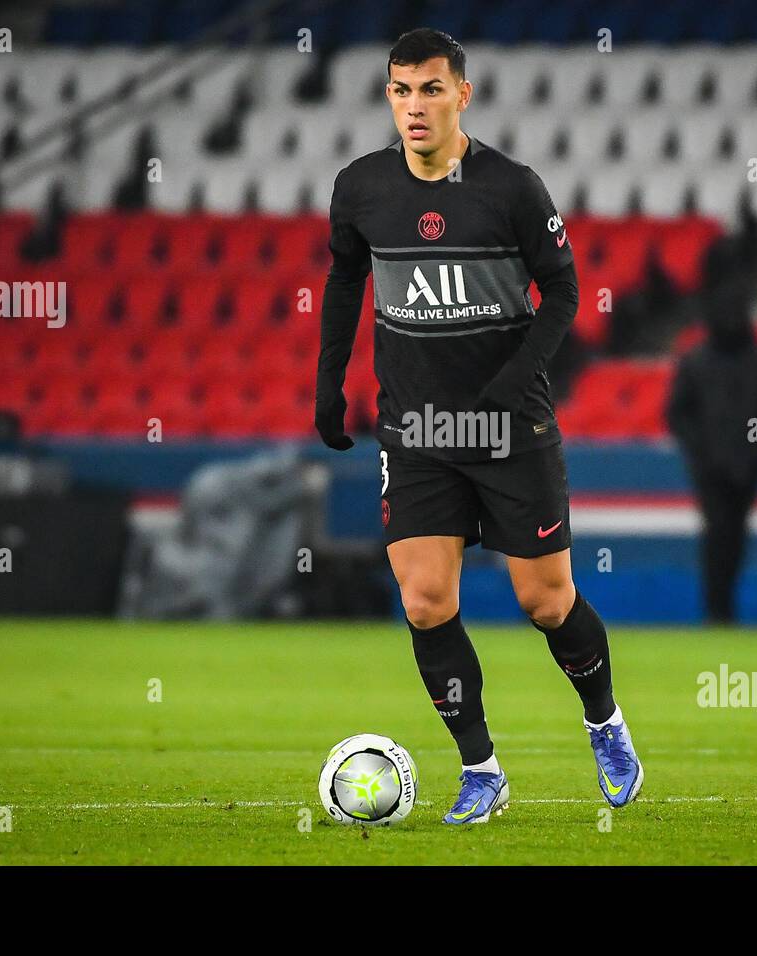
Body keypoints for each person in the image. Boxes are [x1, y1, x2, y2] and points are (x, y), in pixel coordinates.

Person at [314, 28, 642, 824]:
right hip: (416, 431)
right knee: (426, 601)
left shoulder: (511, 189)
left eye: (431, 89)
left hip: (509, 430)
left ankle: (604, 720)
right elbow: (346, 278)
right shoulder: (361, 188)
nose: (415, 106)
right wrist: (329, 382)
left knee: (547, 601)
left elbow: (564, 291)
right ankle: (481, 770)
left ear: (463, 94)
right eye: (401, 90)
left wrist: (512, 381)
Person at [667, 290, 757, 624]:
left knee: (735, 533)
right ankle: (716, 607)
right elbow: (678, 413)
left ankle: (724, 605)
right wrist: (700, 451)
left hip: (748, 467)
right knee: (718, 531)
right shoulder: (697, 362)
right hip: (710, 468)